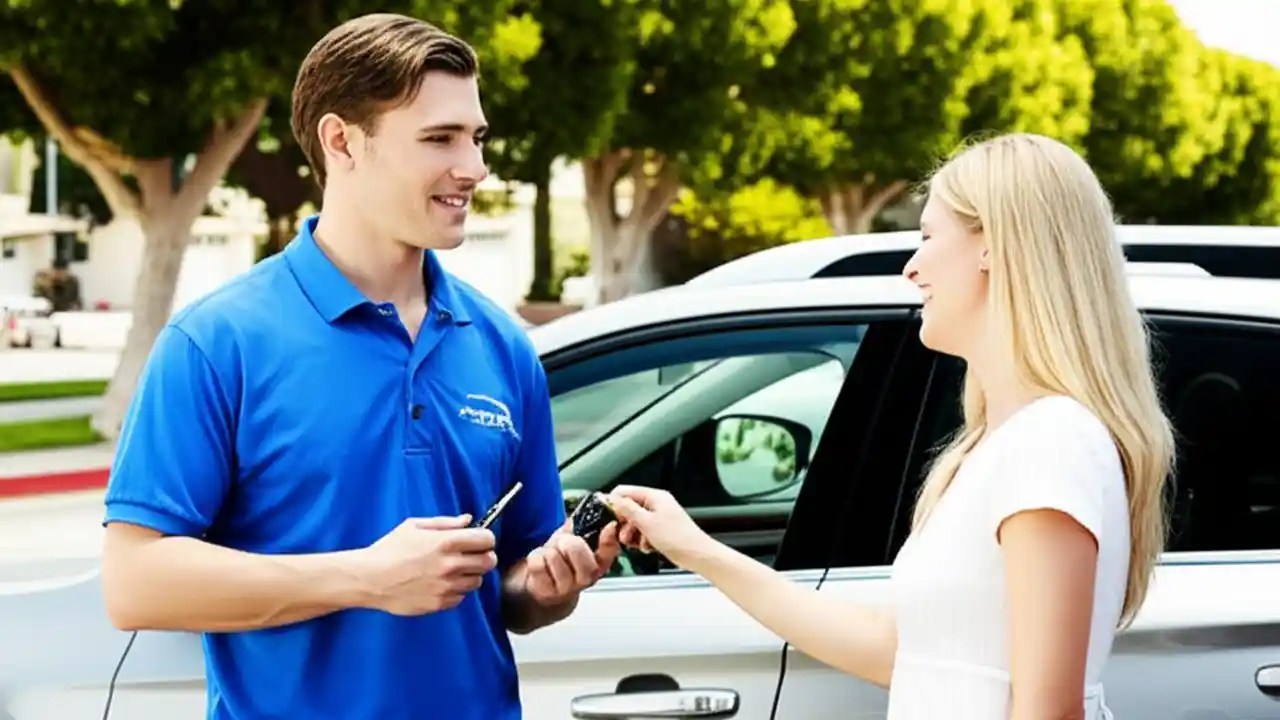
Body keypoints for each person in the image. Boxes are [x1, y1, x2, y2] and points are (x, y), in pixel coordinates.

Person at [99, 13, 619, 720]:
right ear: (341, 142)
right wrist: (367, 578)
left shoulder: (503, 346)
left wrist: (545, 586)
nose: (474, 167)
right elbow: (135, 585)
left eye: (476, 137)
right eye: (439, 138)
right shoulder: (216, 342)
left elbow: (513, 590)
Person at [607, 133, 1174, 720]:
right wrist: (695, 548)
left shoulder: (1050, 442)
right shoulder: (1001, 444)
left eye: (929, 237)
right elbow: (899, 653)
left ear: (995, 246)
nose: (912, 267)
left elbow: (1049, 713)